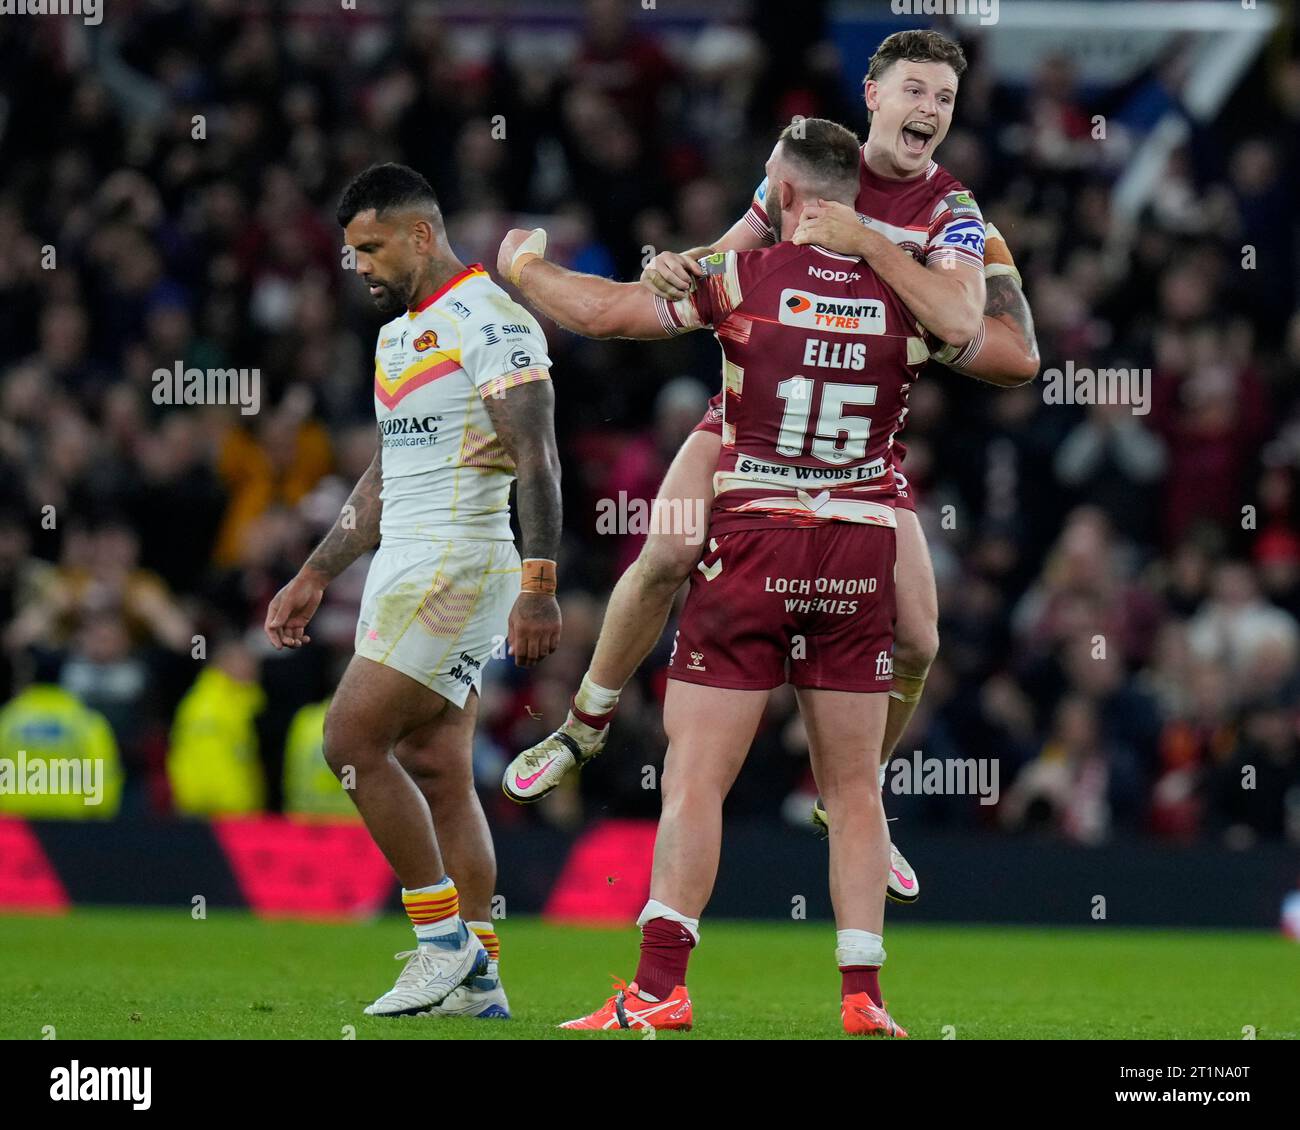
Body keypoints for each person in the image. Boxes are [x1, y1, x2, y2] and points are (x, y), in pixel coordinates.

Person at [504, 29, 1039, 910]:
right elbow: (731, 267)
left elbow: (971, 330)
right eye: (915, 91)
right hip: (751, 415)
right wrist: (677, 266)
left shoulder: (955, 212)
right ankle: (582, 726)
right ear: (872, 94)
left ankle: (853, 799)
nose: (930, 112)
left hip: (861, 444)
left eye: (944, 99)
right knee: (667, 554)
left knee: (920, 638)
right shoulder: (807, 167)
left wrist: (868, 242)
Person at [263, 163, 562, 1019]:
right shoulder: (400, 336)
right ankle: (482, 976)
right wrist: (318, 571)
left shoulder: (492, 320)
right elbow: (386, 474)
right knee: (434, 765)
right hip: (407, 560)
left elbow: (537, 456)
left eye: (370, 247)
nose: (357, 265)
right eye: (351, 251)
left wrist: (539, 585)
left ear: (421, 235)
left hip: (460, 560)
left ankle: (441, 946)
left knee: (349, 740)